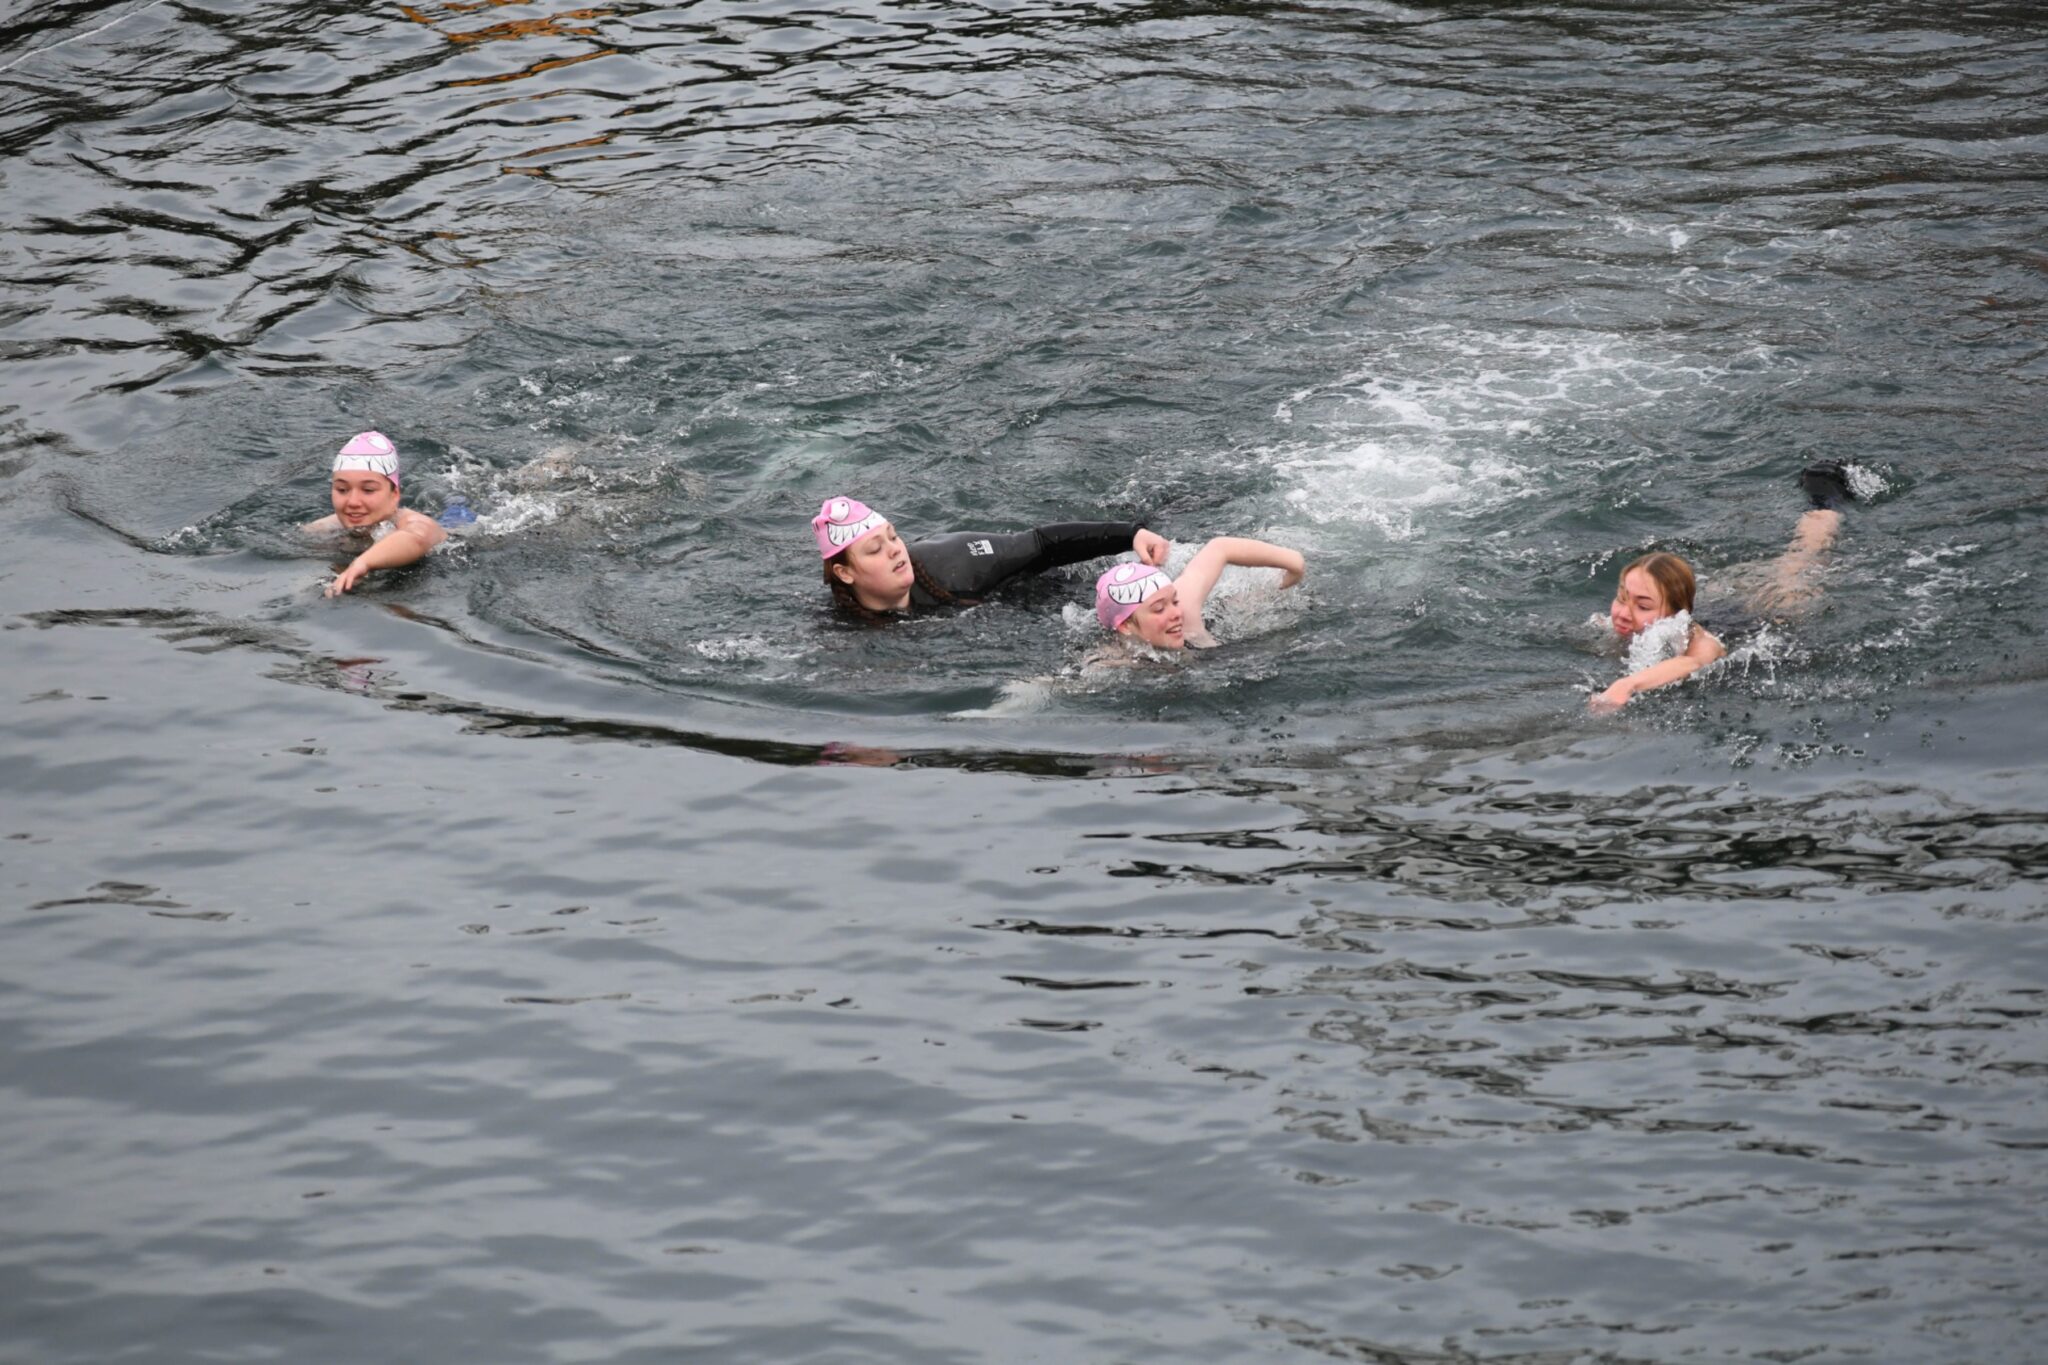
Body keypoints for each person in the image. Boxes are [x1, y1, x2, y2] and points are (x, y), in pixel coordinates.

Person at [1591, 460, 1855, 711]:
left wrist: (1627, 684)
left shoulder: (1702, 642)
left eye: (1642, 605)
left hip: (1764, 614)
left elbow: (1692, 661)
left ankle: (1826, 498)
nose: (1624, 613)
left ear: (1675, 612)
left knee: (1800, 559)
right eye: (1622, 598)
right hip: (1720, 603)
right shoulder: (1614, 624)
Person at [813, 496, 1168, 615]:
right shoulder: (842, 632)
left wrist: (1130, 534)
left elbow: (1043, 545)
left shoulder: (952, 560)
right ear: (845, 573)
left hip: (1047, 596)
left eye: (893, 536)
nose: (895, 550)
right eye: (875, 549)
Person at [1093, 535, 1306, 652]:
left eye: (1173, 601)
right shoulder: (1114, 663)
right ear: (1125, 625)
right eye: (1159, 609)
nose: (1176, 613)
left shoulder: (1185, 612)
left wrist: (1295, 569)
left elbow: (1219, 548)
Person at [303, 431, 447, 597]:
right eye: (342, 490)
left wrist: (363, 563)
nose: (353, 502)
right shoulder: (322, 529)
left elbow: (417, 538)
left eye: (368, 490)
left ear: (395, 494)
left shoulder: (416, 523)